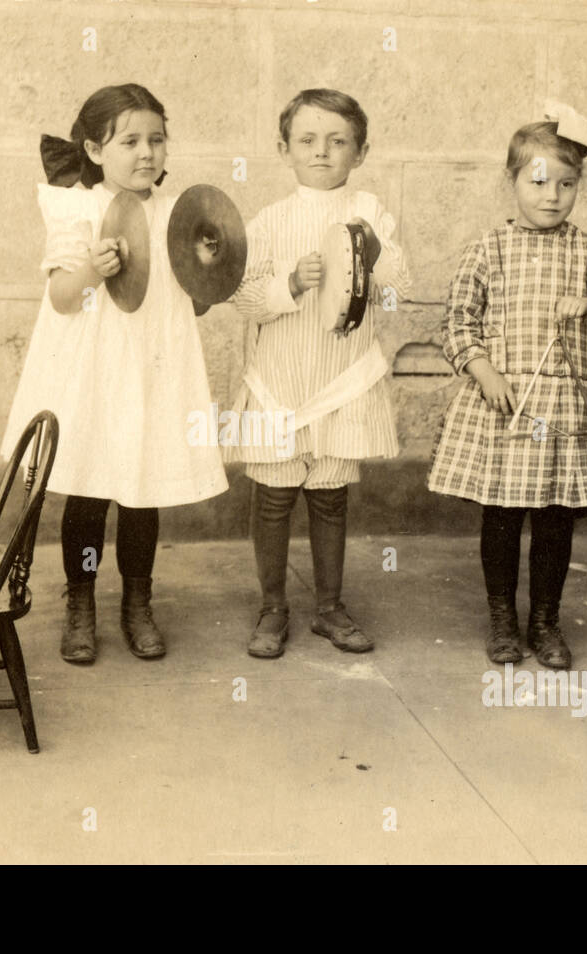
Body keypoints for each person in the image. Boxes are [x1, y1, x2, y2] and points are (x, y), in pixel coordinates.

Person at [0, 84, 227, 664]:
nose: (146, 152)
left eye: (155, 139)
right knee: (89, 492)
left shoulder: (177, 212)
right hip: (93, 369)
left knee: (141, 490)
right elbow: (60, 296)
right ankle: (81, 600)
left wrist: (207, 273)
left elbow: (193, 301)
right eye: (129, 140)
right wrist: (91, 273)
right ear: (95, 150)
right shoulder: (75, 208)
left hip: (152, 366)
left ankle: (137, 602)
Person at [428, 107, 587, 670]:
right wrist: (482, 369)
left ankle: (545, 619)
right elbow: (456, 323)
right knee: (501, 516)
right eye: (538, 181)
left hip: (565, 409)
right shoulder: (487, 250)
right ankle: (502, 617)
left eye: (566, 184)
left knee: (554, 517)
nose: (552, 196)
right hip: (503, 406)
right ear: (513, 180)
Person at [230, 88, 411, 659]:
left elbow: (399, 288)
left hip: (341, 377)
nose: (322, 152)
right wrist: (289, 284)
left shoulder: (371, 213)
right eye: (307, 140)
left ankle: (329, 607)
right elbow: (244, 298)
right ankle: (273, 605)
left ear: (360, 151)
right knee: (274, 495)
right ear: (284, 148)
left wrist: (362, 276)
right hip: (281, 377)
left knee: (330, 496)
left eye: (338, 142)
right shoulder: (268, 221)